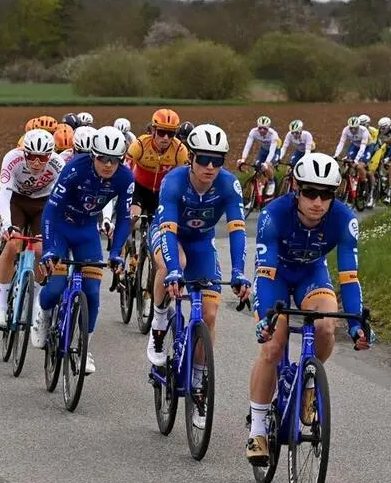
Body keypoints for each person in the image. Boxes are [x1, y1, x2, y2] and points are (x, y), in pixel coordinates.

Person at [245, 152, 375, 464]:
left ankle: (309, 381)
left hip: (311, 274)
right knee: (272, 348)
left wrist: (357, 323)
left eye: (326, 194)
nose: (318, 202)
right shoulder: (273, 215)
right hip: (275, 275)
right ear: (295, 188)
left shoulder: (344, 220)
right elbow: (264, 272)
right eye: (310, 193)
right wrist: (266, 319)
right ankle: (258, 430)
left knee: (327, 324)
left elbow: (349, 277)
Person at [147, 124, 251, 428]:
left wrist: (238, 273)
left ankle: (198, 383)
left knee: (209, 313)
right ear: (190, 158)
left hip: (202, 243)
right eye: (204, 159)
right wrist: (175, 272)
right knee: (170, 265)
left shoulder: (229, 186)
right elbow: (167, 228)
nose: (210, 167)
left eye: (217, 161)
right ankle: (158, 320)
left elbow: (238, 231)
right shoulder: (173, 181)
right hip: (169, 235)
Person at [33, 127, 134, 375]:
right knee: (55, 288)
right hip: (60, 227)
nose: (108, 165)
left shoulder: (125, 178)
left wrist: (116, 252)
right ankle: (43, 315)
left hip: (87, 231)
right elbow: (50, 210)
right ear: (93, 156)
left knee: (92, 292)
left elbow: (123, 218)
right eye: (103, 158)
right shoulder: (76, 169)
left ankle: (84, 343)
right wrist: (48, 249)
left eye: (115, 160)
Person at [0, 129, 66, 328]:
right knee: (12, 244)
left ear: (50, 155)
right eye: (32, 156)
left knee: (42, 249)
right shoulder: (12, 159)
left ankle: (34, 303)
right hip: (17, 201)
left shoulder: (59, 165)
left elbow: (61, 202)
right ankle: (1, 308)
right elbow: (4, 195)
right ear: (24, 153)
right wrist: (6, 224)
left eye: (42, 158)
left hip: (44, 204)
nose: (37, 163)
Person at [238, 115, 281, 198]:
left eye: (265, 128)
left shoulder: (273, 134)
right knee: (257, 168)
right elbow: (248, 146)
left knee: (267, 166)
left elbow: (272, 151)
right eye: (260, 128)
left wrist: (267, 163)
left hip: (275, 150)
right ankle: (254, 195)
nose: (262, 130)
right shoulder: (253, 132)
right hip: (264, 150)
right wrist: (243, 158)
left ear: (268, 128)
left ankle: (271, 182)